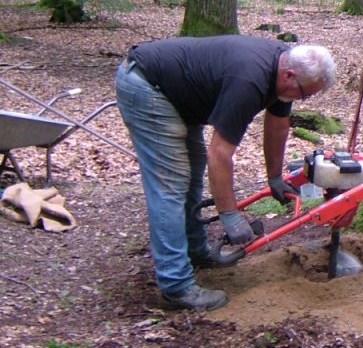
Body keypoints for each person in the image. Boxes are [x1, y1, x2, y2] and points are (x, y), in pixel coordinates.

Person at [115, 36, 337, 311]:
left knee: (191, 172)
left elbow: (278, 123)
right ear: (289, 75)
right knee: (170, 185)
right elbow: (219, 154)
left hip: (179, 94)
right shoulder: (250, 81)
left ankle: (195, 252)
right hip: (149, 87)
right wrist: (230, 216)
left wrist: (275, 178)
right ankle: (176, 287)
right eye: (304, 94)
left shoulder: (283, 68)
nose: (302, 100)